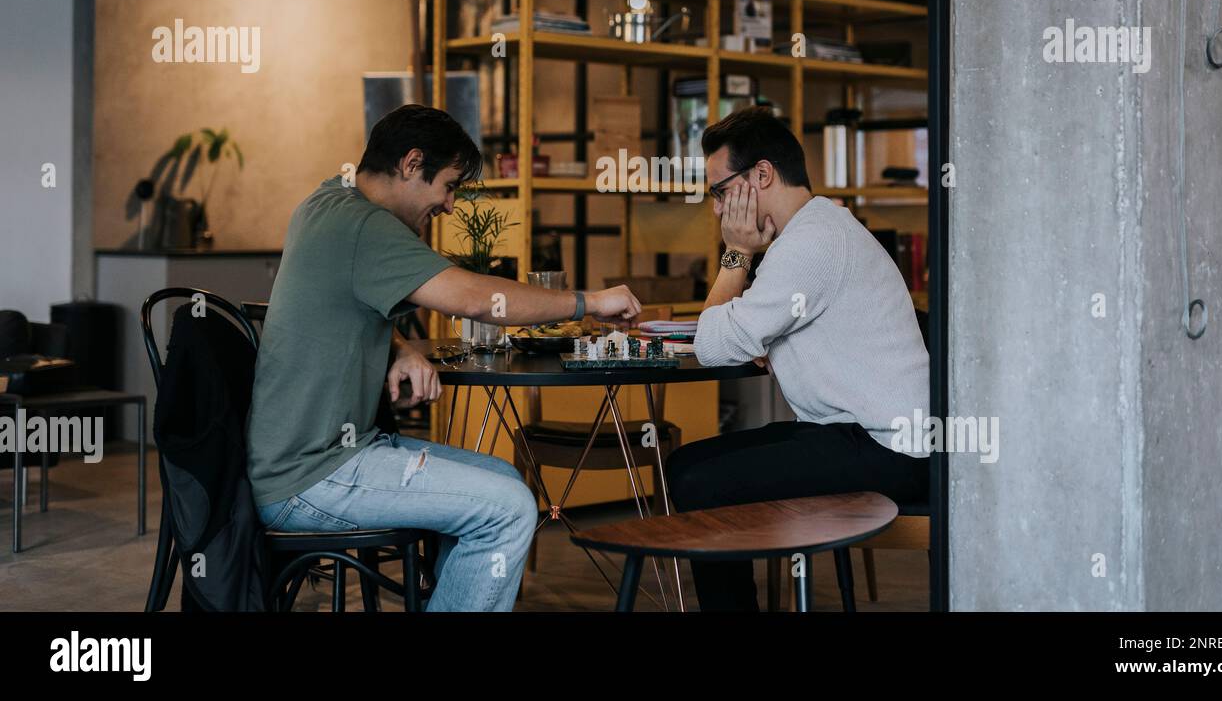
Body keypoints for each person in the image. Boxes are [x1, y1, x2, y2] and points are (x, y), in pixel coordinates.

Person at [245, 104, 641, 611]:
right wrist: (590, 301)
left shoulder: (325, 203)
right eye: (449, 185)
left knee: (502, 479)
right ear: (412, 164)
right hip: (313, 477)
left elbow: (336, 302)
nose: (450, 206)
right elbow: (477, 298)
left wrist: (402, 347)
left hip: (310, 460)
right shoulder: (367, 227)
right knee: (510, 509)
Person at [665, 106, 930, 611]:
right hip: (857, 432)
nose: (718, 209)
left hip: (888, 449)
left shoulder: (811, 242)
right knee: (684, 464)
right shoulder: (819, 229)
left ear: (761, 174)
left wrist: (736, 254)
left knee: (701, 483)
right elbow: (743, 333)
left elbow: (714, 346)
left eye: (721, 191)